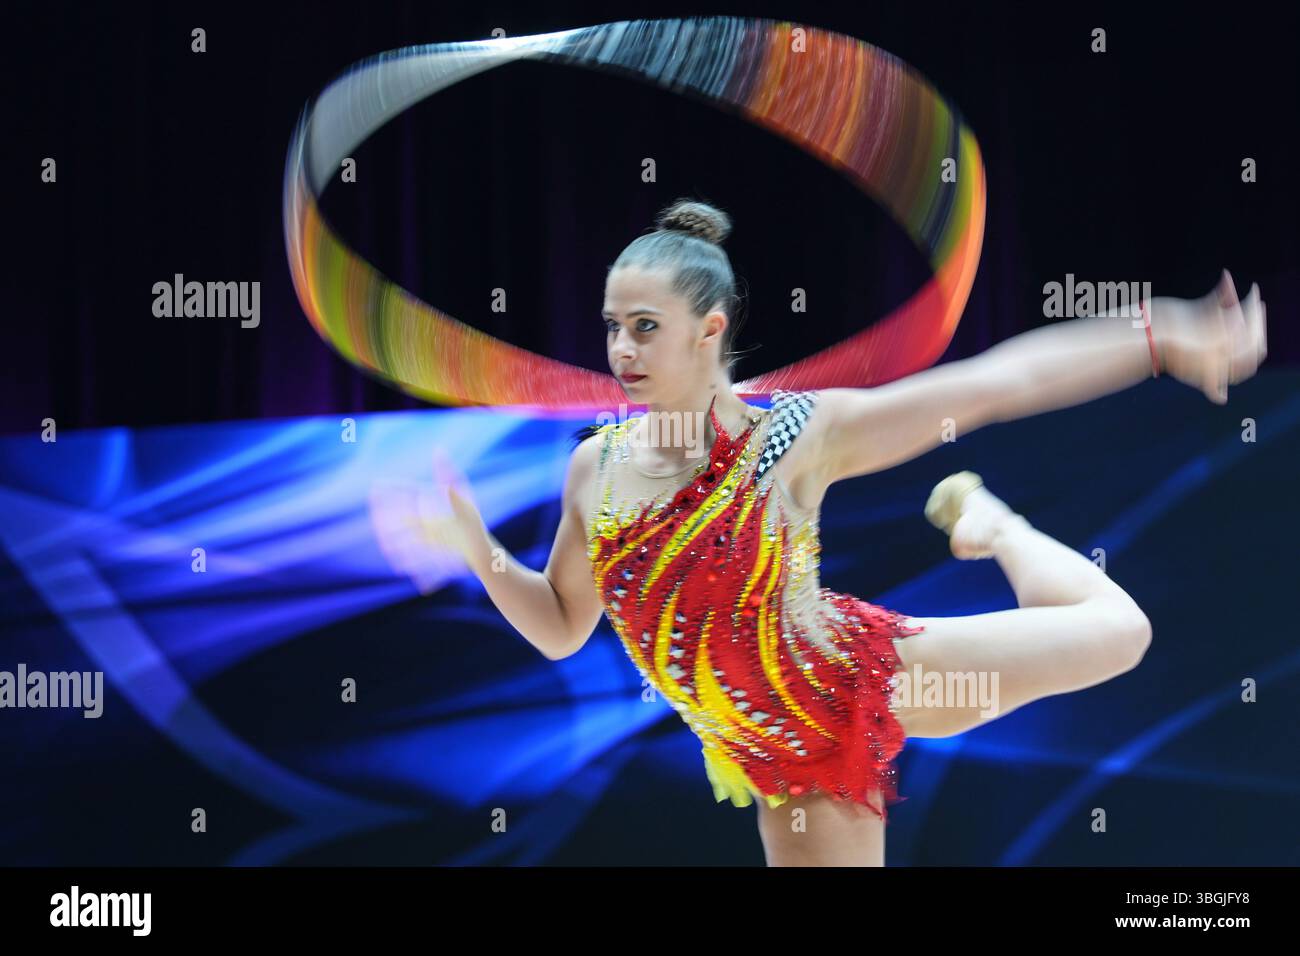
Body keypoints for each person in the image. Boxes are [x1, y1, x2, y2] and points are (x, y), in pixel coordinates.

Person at [410, 198, 1267, 866]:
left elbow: (994, 385)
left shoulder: (792, 438)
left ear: (710, 331)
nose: (622, 349)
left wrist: (1160, 335)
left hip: (859, 685)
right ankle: (985, 523)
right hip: (768, 748)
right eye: (611, 325)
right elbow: (562, 628)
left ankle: (993, 524)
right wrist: (478, 552)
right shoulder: (593, 470)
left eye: (645, 327)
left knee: (1122, 632)